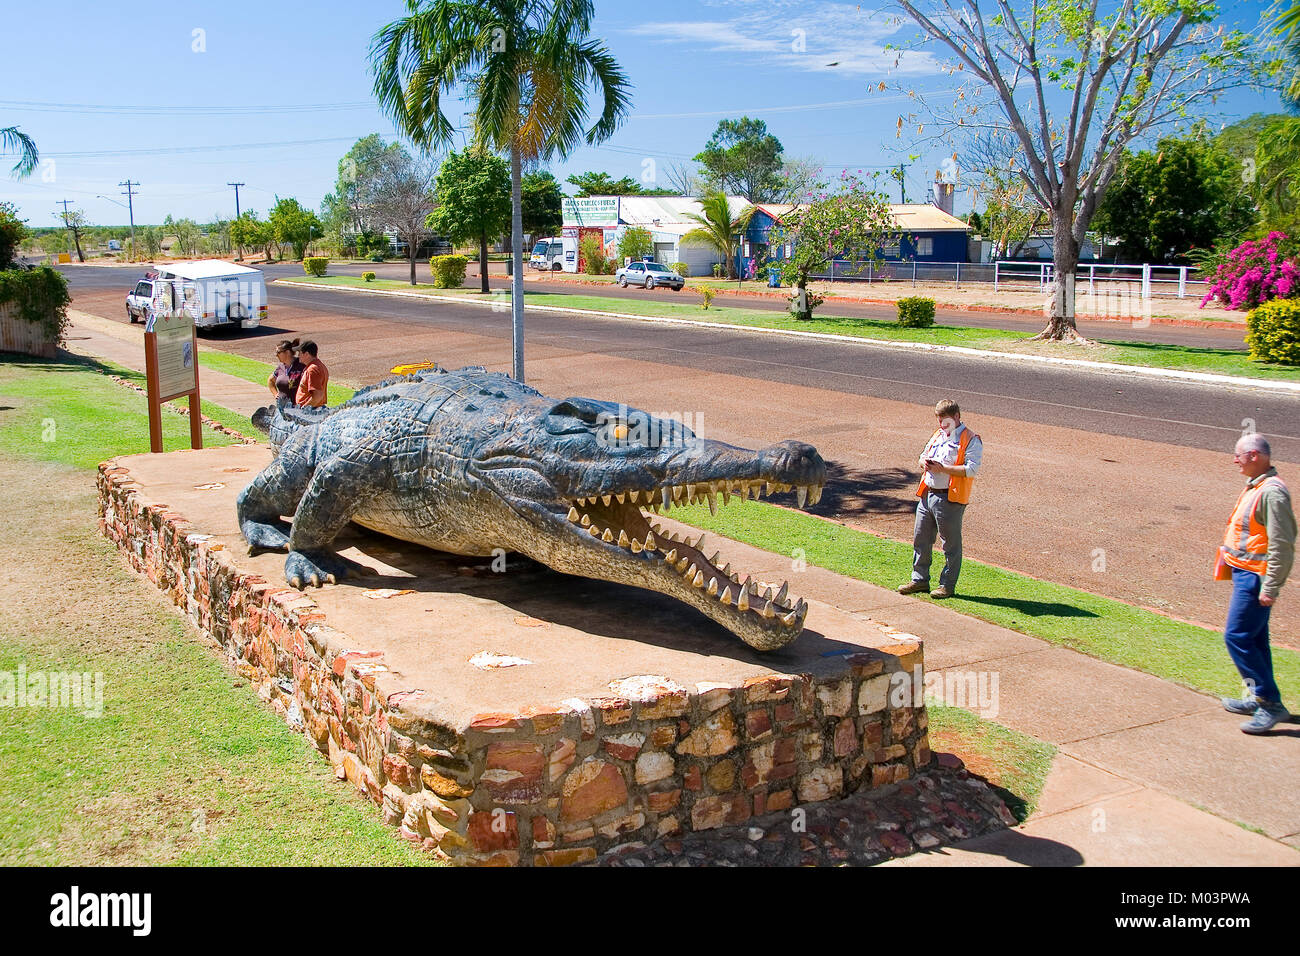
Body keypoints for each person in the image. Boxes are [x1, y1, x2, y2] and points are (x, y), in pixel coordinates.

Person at [1216, 433, 1294, 734]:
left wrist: (1271, 586)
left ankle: (1270, 704)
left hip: (1256, 578)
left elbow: (1282, 544)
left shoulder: (1272, 493)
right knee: (1256, 640)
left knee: (1237, 637)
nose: (1235, 460)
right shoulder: (1257, 486)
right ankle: (1255, 694)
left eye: (1239, 455)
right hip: (1246, 574)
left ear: (1254, 456)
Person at [898, 399, 983, 600]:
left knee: (950, 545)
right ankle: (919, 580)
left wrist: (942, 469)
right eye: (939, 421)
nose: (942, 426)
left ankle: (947, 585)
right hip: (928, 494)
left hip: (950, 498)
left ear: (956, 417)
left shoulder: (971, 439)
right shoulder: (938, 435)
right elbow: (922, 455)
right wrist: (924, 463)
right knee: (921, 539)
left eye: (945, 421)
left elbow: (971, 469)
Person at [267, 338, 305, 404]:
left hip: (297, 409)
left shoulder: (301, 365)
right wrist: (276, 394)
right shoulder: (281, 367)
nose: (276, 355)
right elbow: (270, 380)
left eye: (278, 352)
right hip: (282, 408)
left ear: (287, 352)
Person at [295, 340, 329, 408]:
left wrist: (305, 409)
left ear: (307, 354)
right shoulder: (317, 365)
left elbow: (318, 395)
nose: (298, 355)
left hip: (312, 410)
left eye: (300, 353)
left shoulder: (313, 369)